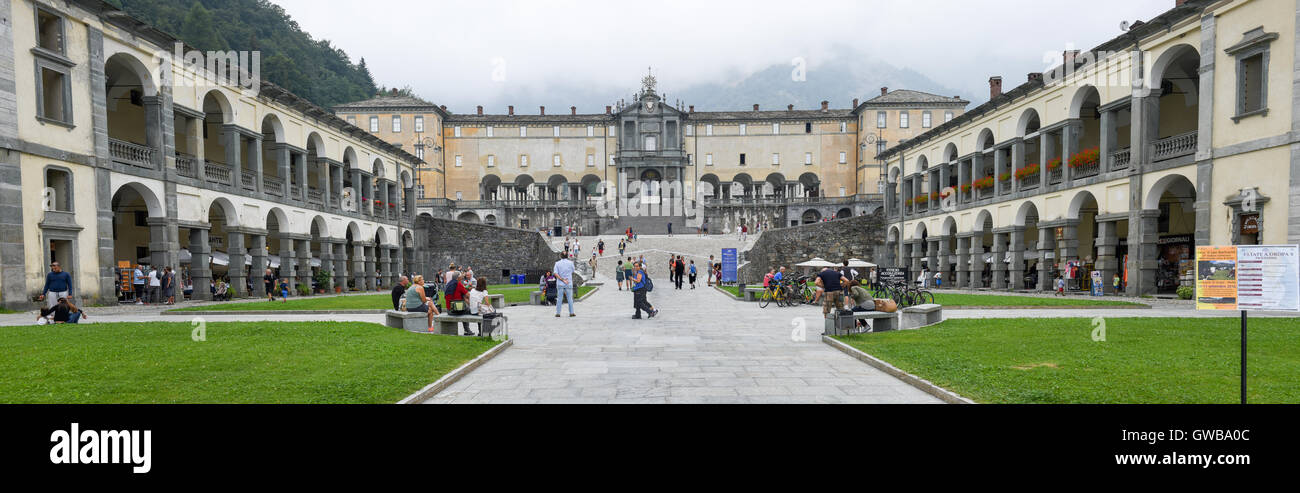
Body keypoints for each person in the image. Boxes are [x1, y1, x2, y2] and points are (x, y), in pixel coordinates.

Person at [553, 253, 576, 318]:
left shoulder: (557, 263)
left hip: (560, 283)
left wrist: (562, 279)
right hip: (568, 282)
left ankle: (558, 313)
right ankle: (571, 312)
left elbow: (555, 273)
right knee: (570, 299)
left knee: (559, 299)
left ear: (560, 256)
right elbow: (572, 270)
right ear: (567, 256)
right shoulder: (571, 263)